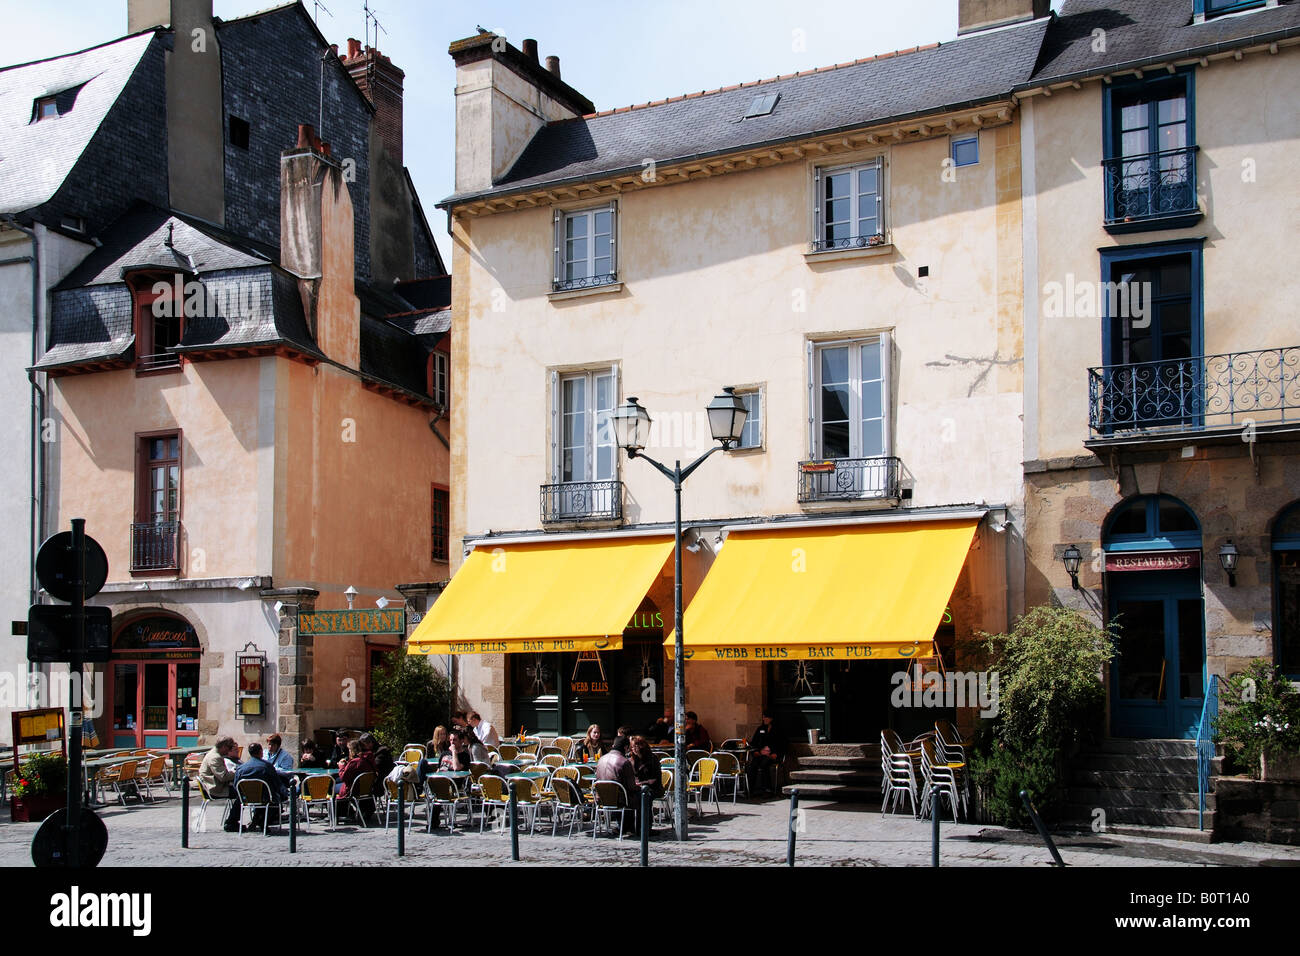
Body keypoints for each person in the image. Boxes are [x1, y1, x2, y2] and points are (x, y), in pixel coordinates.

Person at [233, 742, 289, 831]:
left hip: (246, 798)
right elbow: (277, 783)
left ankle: (255, 819)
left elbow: (236, 785)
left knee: (261, 796)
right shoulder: (267, 767)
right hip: (265, 798)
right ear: (260, 752)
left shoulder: (241, 768)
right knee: (275, 799)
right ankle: (261, 821)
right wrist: (286, 793)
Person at [595, 736, 638, 833]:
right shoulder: (624, 762)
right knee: (640, 796)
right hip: (619, 800)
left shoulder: (601, 759)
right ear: (626, 747)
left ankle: (622, 826)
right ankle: (638, 828)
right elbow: (631, 786)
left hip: (602, 798)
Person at [199, 736, 240, 831]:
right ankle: (231, 823)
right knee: (243, 794)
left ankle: (233, 821)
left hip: (218, 785)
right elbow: (223, 777)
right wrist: (237, 772)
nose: (229, 751)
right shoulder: (215, 757)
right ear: (224, 747)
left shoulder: (216, 754)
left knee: (241, 791)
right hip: (215, 789)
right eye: (229, 748)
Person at [746, 710, 786, 796]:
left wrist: (776, 754)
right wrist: (757, 751)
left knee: (764, 764)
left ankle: (767, 789)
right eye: (763, 717)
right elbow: (754, 743)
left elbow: (783, 744)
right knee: (753, 764)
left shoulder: (779, 730)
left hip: (772, 755)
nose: (764, 719)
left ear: (771, 718)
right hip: (761, 754)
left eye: (766, 717)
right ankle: (750, 789)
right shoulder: (760, 729)